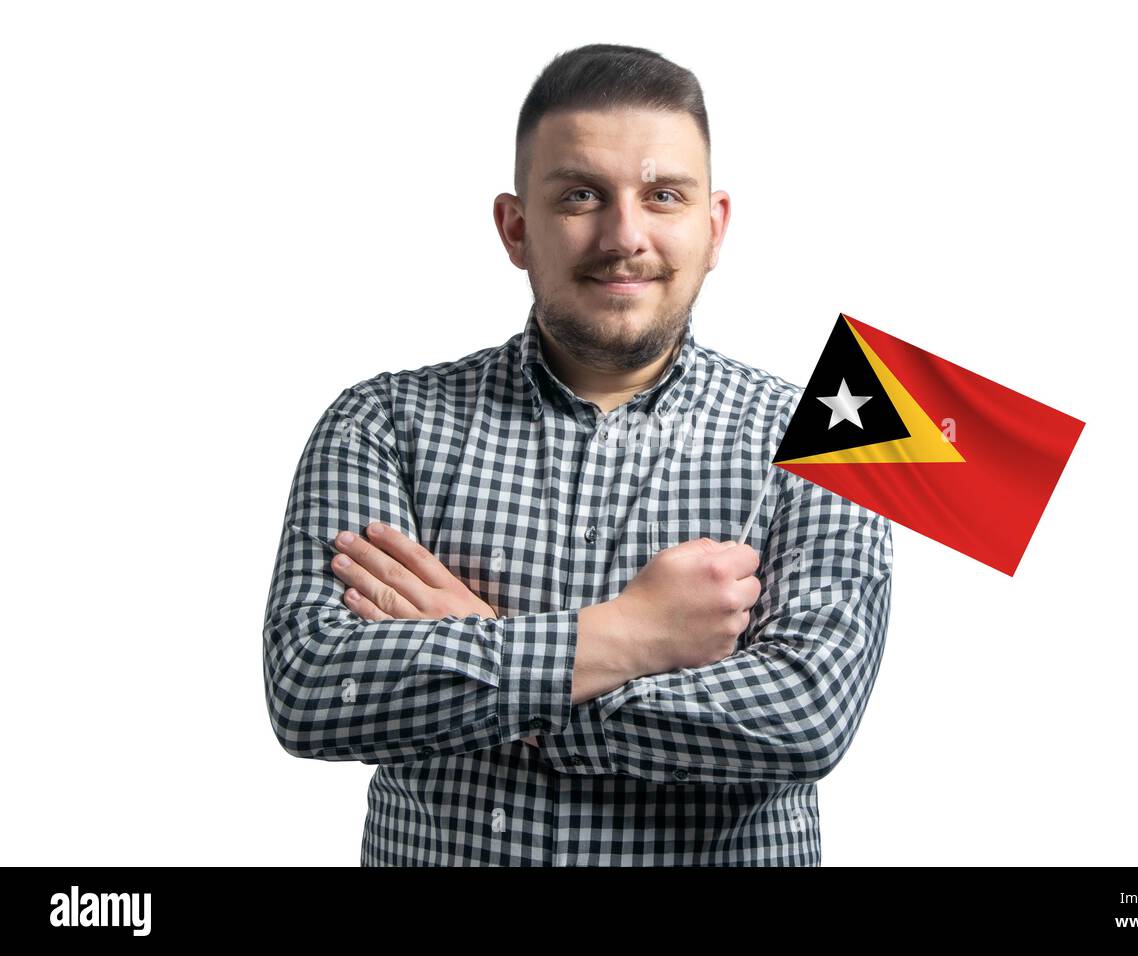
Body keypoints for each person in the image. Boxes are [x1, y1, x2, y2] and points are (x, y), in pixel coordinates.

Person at [262, 42, 892, 866]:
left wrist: (492, 653)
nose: (624, 236)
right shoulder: (380, 423)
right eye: (582, 195)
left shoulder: (831, 437)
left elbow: (804, 719)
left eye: (663, 195)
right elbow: (315, 689)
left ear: (714, 226)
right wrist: (629, 633)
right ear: (516, 227)